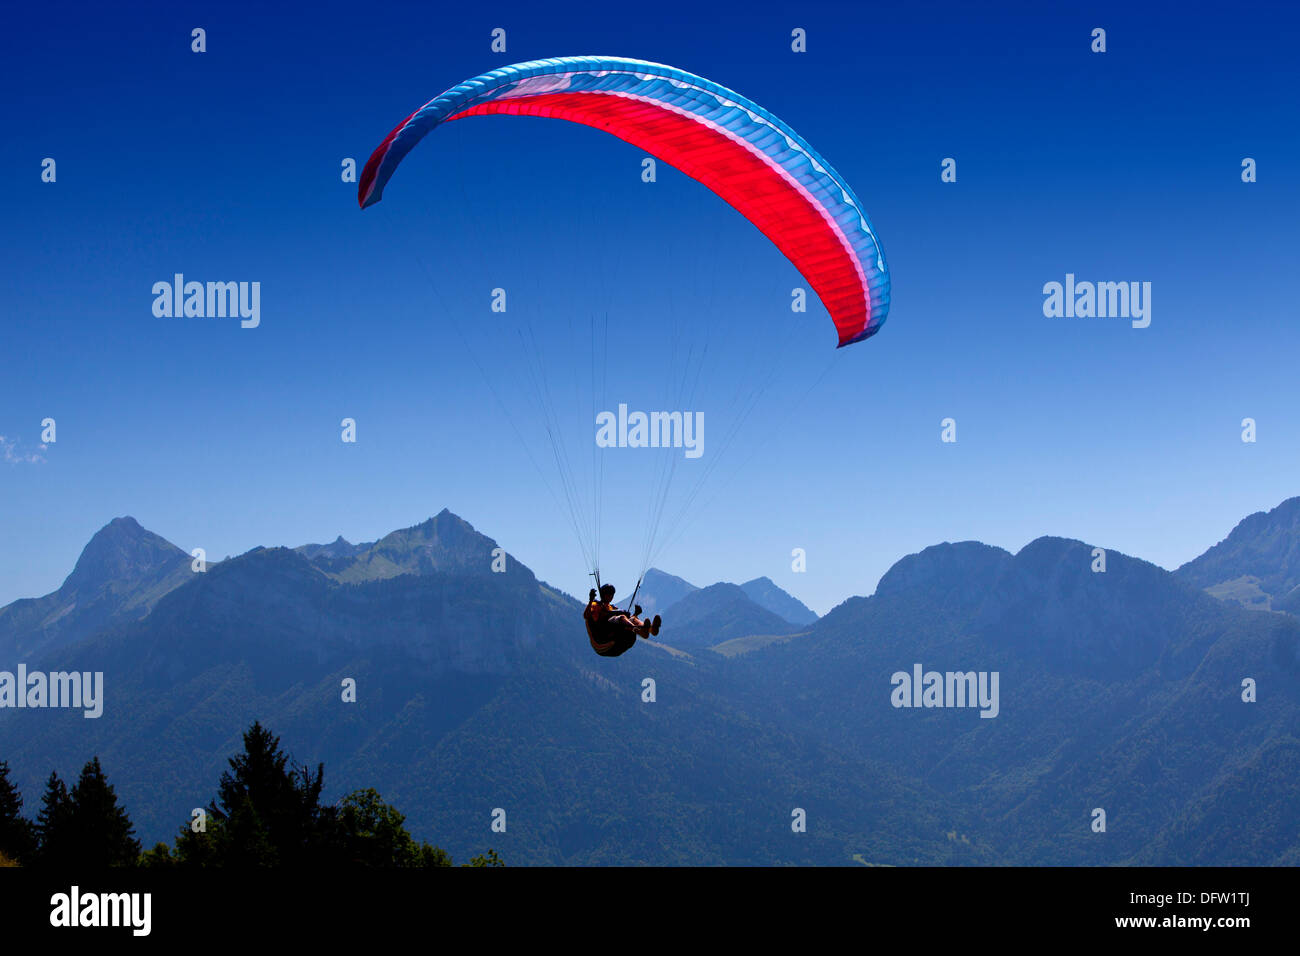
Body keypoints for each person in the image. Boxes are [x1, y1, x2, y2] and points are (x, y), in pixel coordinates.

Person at [585, 583, 661, 657]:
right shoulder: (595, 605)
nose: (610, 596)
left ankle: (649, 629)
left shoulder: (612, 607)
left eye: (612, 594)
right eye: (608, 593)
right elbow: (586, 615)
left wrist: (636, 614)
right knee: (622, 617)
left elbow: (627, 618)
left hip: (618, 642)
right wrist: (590, 600)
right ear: (603, 594)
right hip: (601, 642)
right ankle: (637, 628)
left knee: (632, 619)